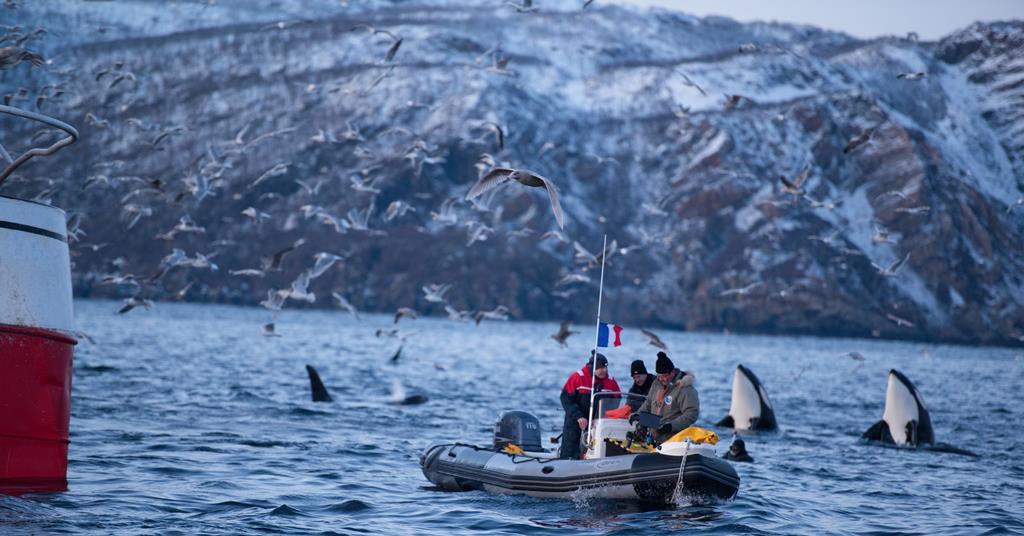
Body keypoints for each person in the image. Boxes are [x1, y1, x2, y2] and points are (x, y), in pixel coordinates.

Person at [559, 352, 621, 459]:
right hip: (576, 421)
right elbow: (565, 398)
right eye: (601, 368)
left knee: (597, 448)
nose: (604, 371)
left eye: (606, 368)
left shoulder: (611, 381)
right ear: (593, 368)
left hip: (597, 423)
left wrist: (604, 417)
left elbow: (616, 400)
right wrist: (578, 416)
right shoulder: (578, 377)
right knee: (570, 449)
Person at [636, 351, 699, 444]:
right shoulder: (656, 384)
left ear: (673, 372)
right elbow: (648, 403)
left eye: (665, 376)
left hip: (674, 440)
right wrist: (638, 415)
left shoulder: (685, 389)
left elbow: (691, 414)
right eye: (660, 376)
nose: (663, 379)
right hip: (654, 439)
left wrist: (670, 426)